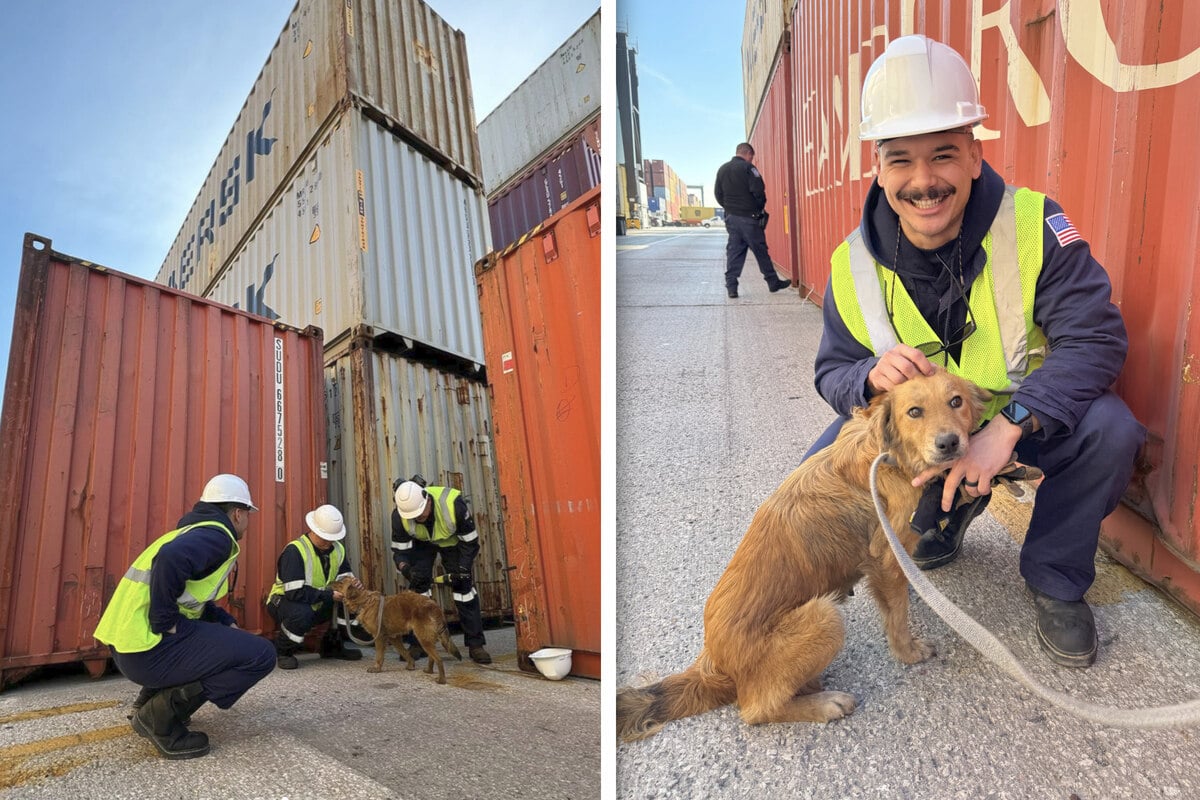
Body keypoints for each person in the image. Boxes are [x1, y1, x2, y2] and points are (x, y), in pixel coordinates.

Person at [807, 35, 1145, 668]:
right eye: (901, 160)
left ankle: (1055, 578)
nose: (924, 181)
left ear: (973, 155)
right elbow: (832, 371)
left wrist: (1010, 427)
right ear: (878, 168)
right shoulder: (850, 265)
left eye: (943, 155)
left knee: (1111, 428)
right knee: (820, 466)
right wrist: (865, 375)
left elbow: (1096, 338)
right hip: (926, 434)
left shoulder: (1035, 226)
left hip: (1025, 422)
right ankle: (941, 516)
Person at [93, 474, 276, 760]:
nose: (247, 522)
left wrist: (222, 619)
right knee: (261, 655)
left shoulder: (189, 532)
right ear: (238, 513)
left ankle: (150, 701)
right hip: (148, 651)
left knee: (216, 634)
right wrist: (165, 623)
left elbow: (190, 599)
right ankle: (160, 719)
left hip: (129, 648)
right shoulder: (218, 535)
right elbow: (171, 560)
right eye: (247, 515)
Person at [391, 479, 491, 664]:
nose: (418, 518)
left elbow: (470, 542)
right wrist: (406, 569)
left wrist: (463, 568)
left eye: (421, 513)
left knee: (464, 591)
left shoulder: (453, 505)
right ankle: (417, 644)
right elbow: (400, 552)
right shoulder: (400, 516)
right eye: (413, 516)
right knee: (418, 590)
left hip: (453, 542)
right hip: (422, 544)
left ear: (427, 500)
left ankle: (476, 645)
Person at [266, 503, 363, 669]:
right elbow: (294, 592)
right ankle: (284, 651)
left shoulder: (337, 549)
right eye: (326, 538)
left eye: (333, 538)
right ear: (314, 530)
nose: (329, 542)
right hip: (284, 601)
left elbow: (344, 575)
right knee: (301, 613)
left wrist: (352, 584)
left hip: (317, 599)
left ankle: (333, 646)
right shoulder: (295, 551)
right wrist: (329, 596)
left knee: (350, 599)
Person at [713, 142, 793, 298]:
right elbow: (758, 191)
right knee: (760, 250)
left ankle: (731, 287)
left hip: (731, 218)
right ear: (748, 154)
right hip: (749, 218)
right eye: (751, 157)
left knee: (735, 251)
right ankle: (772, 281)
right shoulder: (748, 169)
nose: (751, 160)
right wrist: (758, 209)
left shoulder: (722, 169)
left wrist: (730, 209)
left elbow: (718, 194)